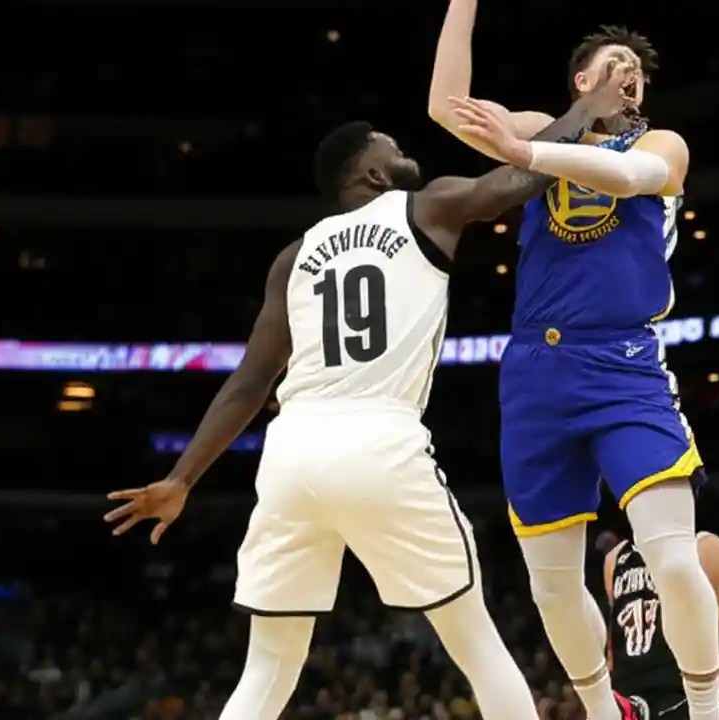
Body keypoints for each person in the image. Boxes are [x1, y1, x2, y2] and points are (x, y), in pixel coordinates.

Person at [100, 67, 635, 720]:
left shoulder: (294, 256)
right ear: (372, 174)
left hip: (292, 450)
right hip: (380, 438)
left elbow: (248, 383)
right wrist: (586, 110)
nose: (400, 147)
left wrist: (183, 479)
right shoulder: (424, 206)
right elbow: (517, 182)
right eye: (388, 143)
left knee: (267, 665)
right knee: (475, 640)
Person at [427, 3, 719, 720]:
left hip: (624, 365)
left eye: (638, 74)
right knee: (551, 586)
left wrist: (527, 155)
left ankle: (706, 709)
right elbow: (442, 107)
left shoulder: (662, 143)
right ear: (580, 79)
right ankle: (602, 708)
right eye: (615, 66)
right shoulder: (540, 127)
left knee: (675, 558)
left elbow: (625, 180)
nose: (630, 78)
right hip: (535, 371)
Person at [597, 531, 719, 720]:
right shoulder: (615, 559)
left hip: (686, 701)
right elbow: (613, 653)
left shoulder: (708, 550)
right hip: (630, 703)